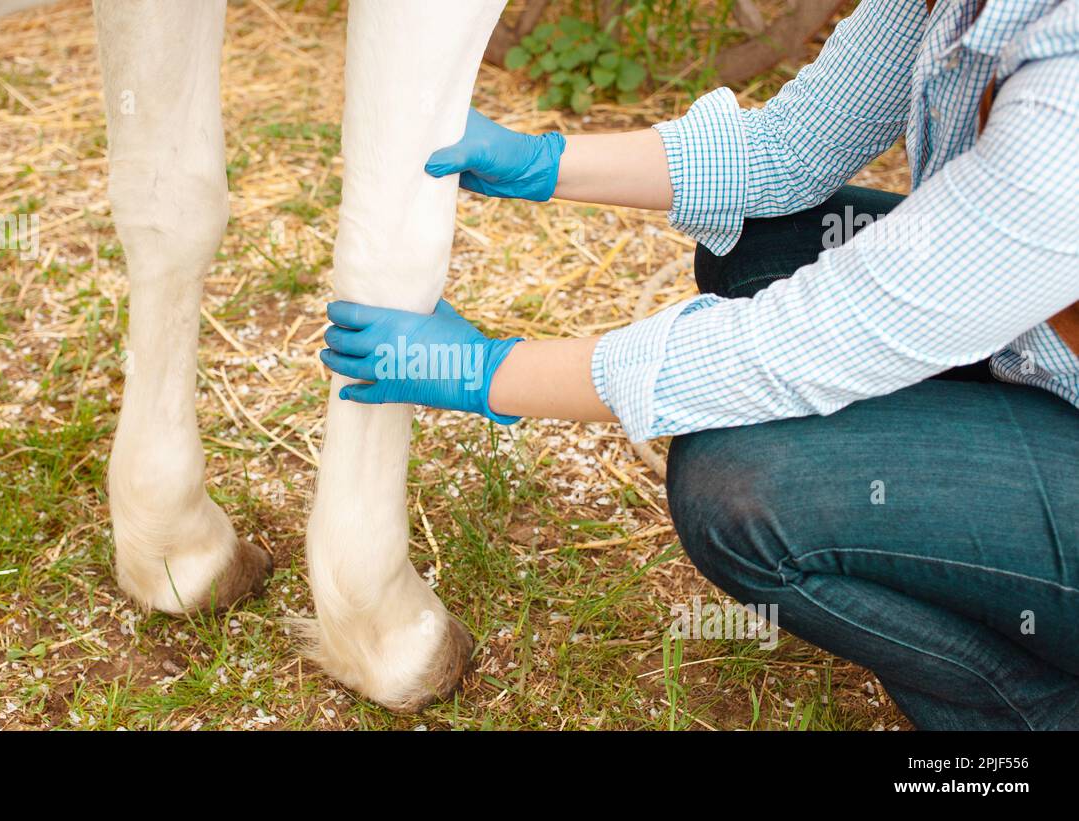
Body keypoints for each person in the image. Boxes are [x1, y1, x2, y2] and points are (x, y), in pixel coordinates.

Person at [318, 0, 1079, 730]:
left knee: (740, 489)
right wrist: (543, 162)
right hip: (1043, 359)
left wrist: (491, 373)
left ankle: (1035, 715)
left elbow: (807, 341)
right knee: (759, 241)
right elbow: (789, 148)